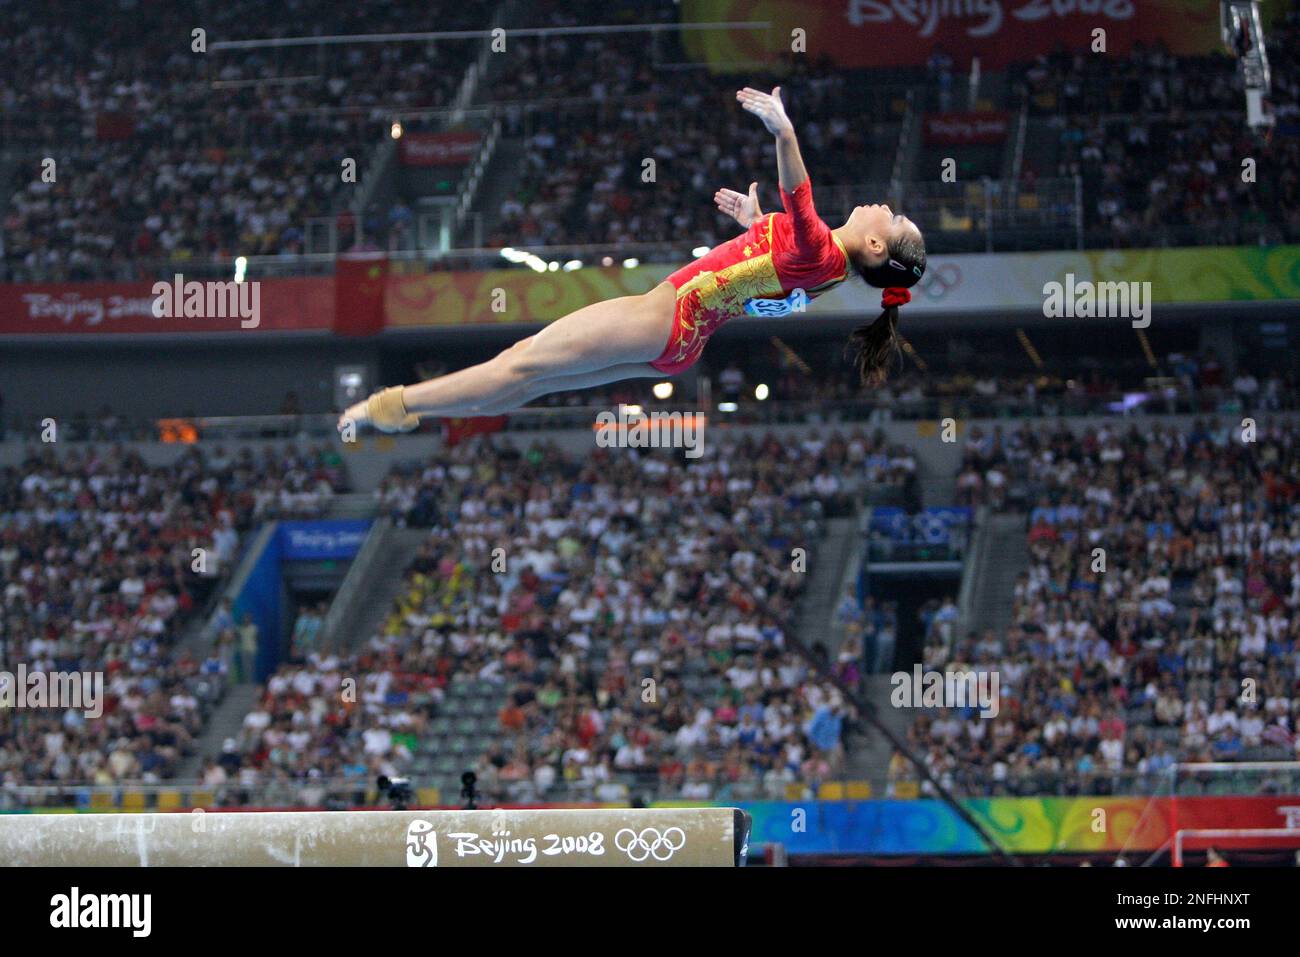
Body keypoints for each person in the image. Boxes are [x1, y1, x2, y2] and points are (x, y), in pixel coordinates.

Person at [340, 86, 927, 433]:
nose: (885, 206)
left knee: (520, 364)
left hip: (664, 319)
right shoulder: (823, 269)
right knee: (529, 382)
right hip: (678, 345)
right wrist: (753, 226)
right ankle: (402, 410)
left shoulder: (824, 248)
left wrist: (784, 134)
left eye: (894, 219)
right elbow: (764, 275)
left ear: (875, 246)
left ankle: (393, 404)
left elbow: (799, 203)